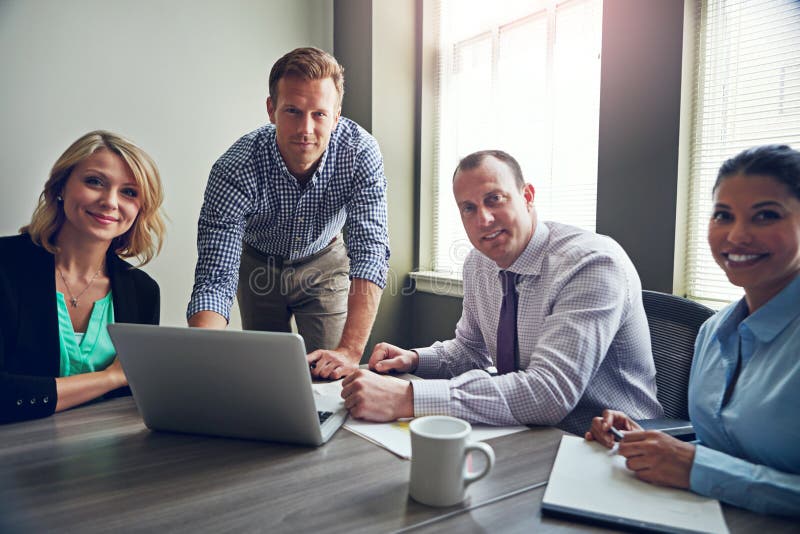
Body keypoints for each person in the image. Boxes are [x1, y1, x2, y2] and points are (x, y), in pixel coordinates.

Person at [341, 150, 662, 435]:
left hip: (611, 445)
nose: (483, 219)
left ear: (528, 196)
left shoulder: (590, 264)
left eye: (494, 199)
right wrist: (412, 360)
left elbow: (549, 394)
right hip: (526, 432)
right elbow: (470, 351)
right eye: (468, 208)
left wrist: (407, 398)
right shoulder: (479, 263)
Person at [585, 144, 800, 517]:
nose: (736, 236)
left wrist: (698, 469)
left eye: (765, 215)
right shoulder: (713, 331)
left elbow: (718, 466)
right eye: (723, 215)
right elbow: (728, 446)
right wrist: (645, 440)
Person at [187, 47, 390, 379]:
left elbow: (370, 250)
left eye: (319, 114)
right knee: (268, 376)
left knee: (330, 372)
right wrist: (202, 359)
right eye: (293, 111)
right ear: (272, 109)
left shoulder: (360, 153)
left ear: (337, 115)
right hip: (257, 263)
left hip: (325, 261)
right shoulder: (234, 168)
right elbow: (216, 276)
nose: (305, 129)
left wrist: (350, 353)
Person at [0, 130, 166, 423]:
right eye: (95, 182)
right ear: (61, 185)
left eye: (129, 192)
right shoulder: (6, 266)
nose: (110, 201)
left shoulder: (143, 291)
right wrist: (111, 378)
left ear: (140, 208)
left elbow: (137, 399)